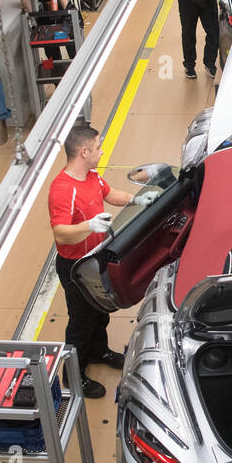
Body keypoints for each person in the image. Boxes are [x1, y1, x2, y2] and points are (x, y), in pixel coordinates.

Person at [48, 123, 152, 399]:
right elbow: (60, 233)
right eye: (98, 147)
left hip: (95, 260)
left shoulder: (91, 176)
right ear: (84, 151)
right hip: (75, 268)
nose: (102, 151)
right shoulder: (62, 189)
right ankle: (73, 376)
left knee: (100, 312)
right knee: (81, 322)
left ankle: (98, 351)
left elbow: (109, 194)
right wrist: (89, 226)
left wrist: (140, 199)